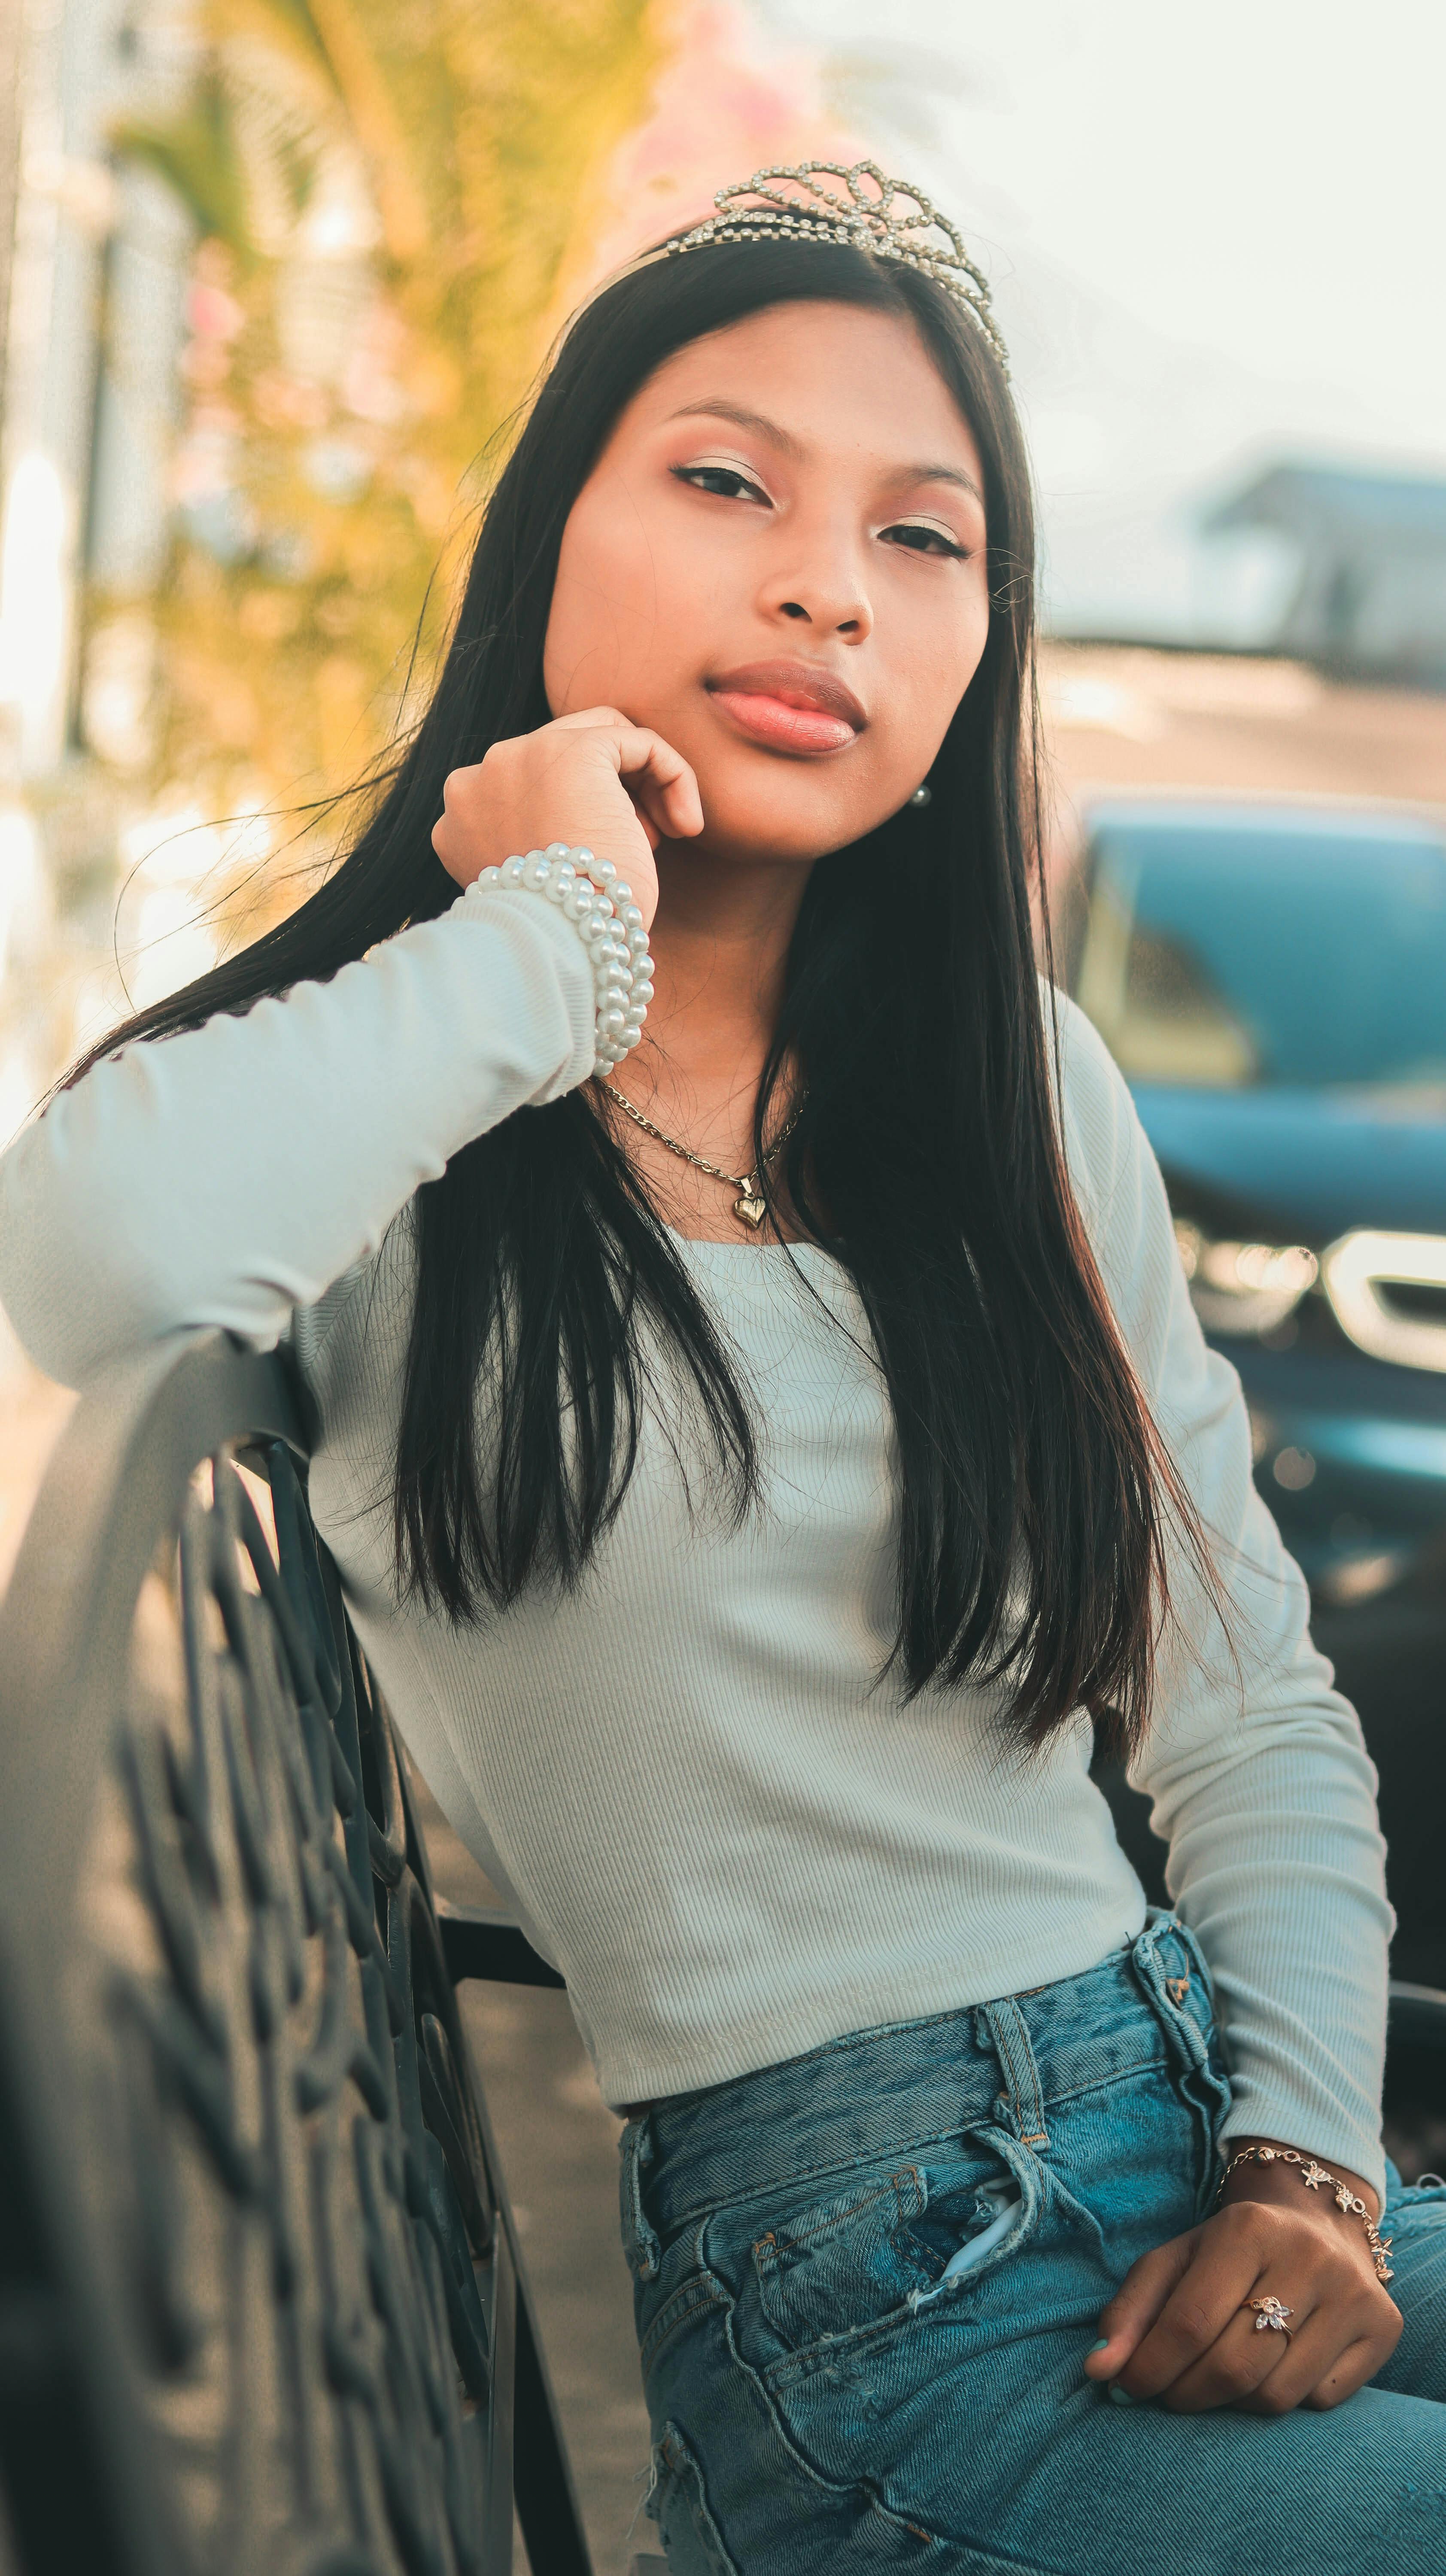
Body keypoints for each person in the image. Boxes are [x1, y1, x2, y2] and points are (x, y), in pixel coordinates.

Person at [2, 159, 1442, 2574]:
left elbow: (1246, 1709)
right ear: (545, 533)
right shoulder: (404, 1097)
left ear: (978, 640)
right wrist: (555, 927)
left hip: (1195, 2131)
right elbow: (81, 1261)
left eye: (922, 537)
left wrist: (1302, 2162)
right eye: (722, 482)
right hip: (894, 2320)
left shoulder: (1016, 1105)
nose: (821, 588)